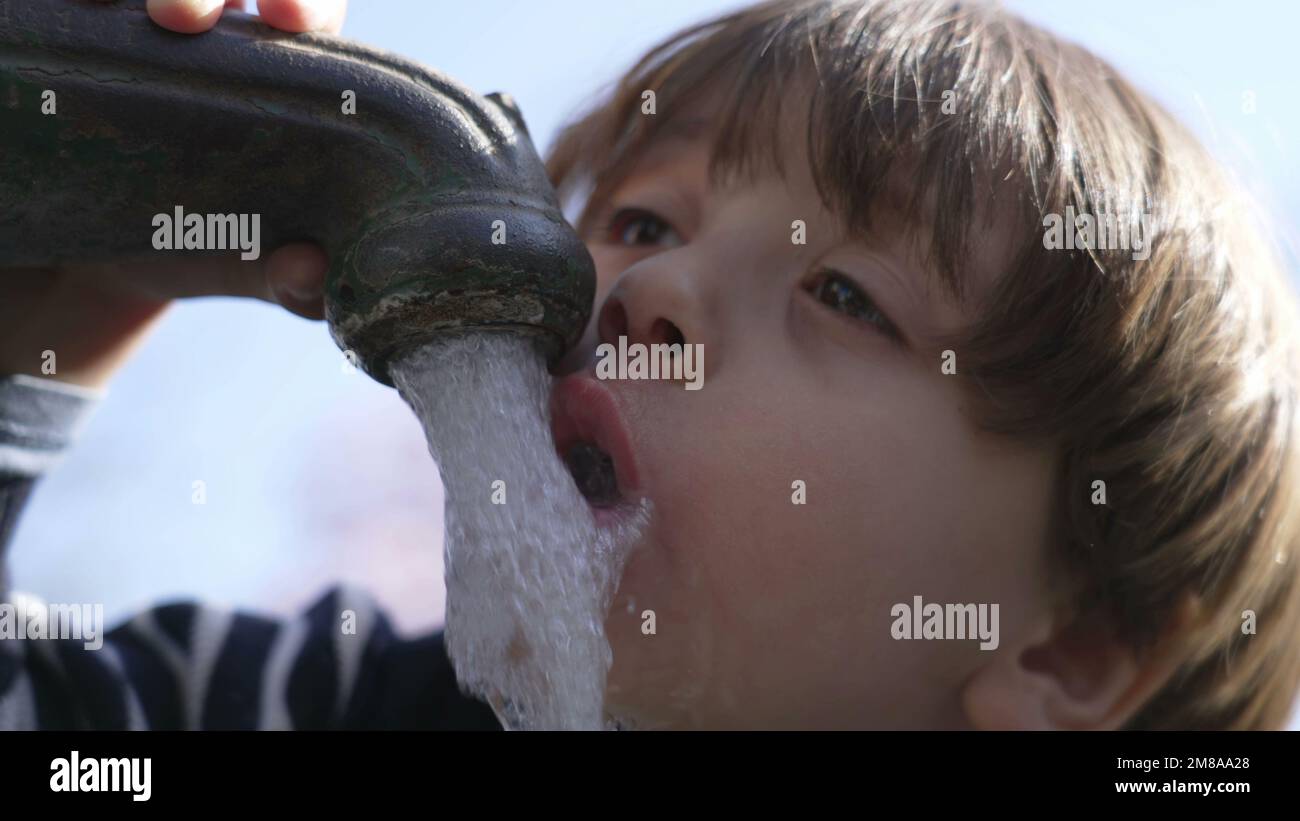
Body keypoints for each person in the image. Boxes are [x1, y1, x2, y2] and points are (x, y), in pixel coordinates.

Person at [2, 0, 1298, 730]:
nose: (648, 292)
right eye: (640, 223)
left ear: (1066, 656)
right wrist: (61, 310)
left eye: (843, 294)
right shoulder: (313, 706)